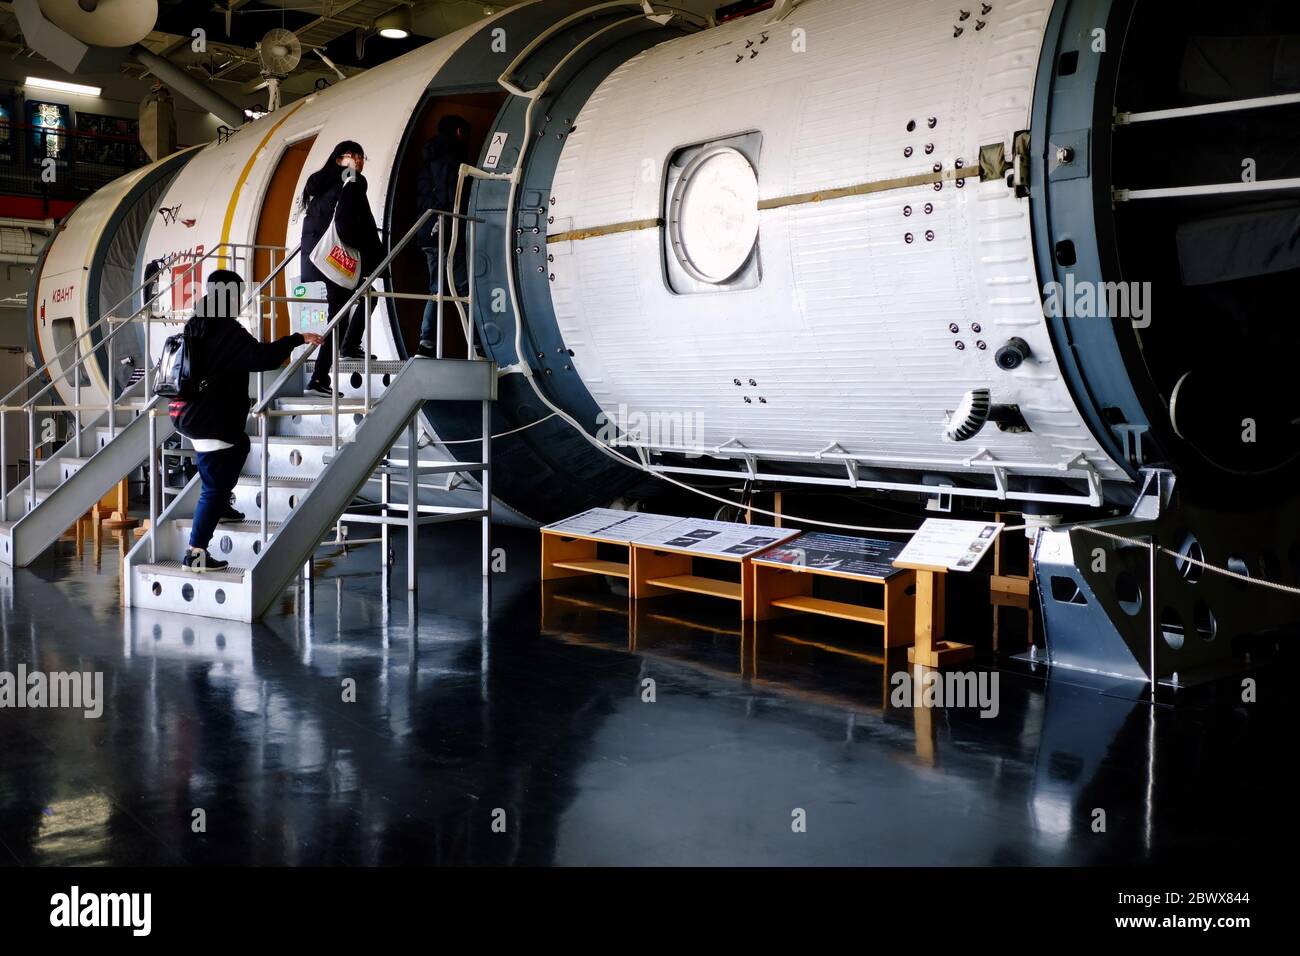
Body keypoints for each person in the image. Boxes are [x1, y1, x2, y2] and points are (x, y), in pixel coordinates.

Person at [171, 270, 322, 572]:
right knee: (212, 488)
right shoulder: (225, 329)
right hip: (211, 418)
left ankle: (223, 504)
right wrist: (295, 339)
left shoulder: (197, 323)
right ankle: (195, 554)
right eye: (238, 295)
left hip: (188, 413)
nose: (241, 301)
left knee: (239, 446)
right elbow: (259, 357)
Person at [299, 140, 384, 395]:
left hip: (316, 262)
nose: (359, 162)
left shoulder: (319, 188)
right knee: (349, 310)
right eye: (354, 156)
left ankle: (338, 359)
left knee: (350, 307)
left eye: (361, 157)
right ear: (341, 159)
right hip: (336, 261)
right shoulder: (352, 182)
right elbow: (346, 226)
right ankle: (320, 377)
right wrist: (366, 249)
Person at [416, 115, 471, 358]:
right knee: (462, 287)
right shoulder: (451, 156)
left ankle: (426, 342)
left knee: (436, 289)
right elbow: (450, 195)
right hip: (446, 230)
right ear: (459, 132)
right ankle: (477, 340)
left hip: (427, 230)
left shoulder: (429, 157)